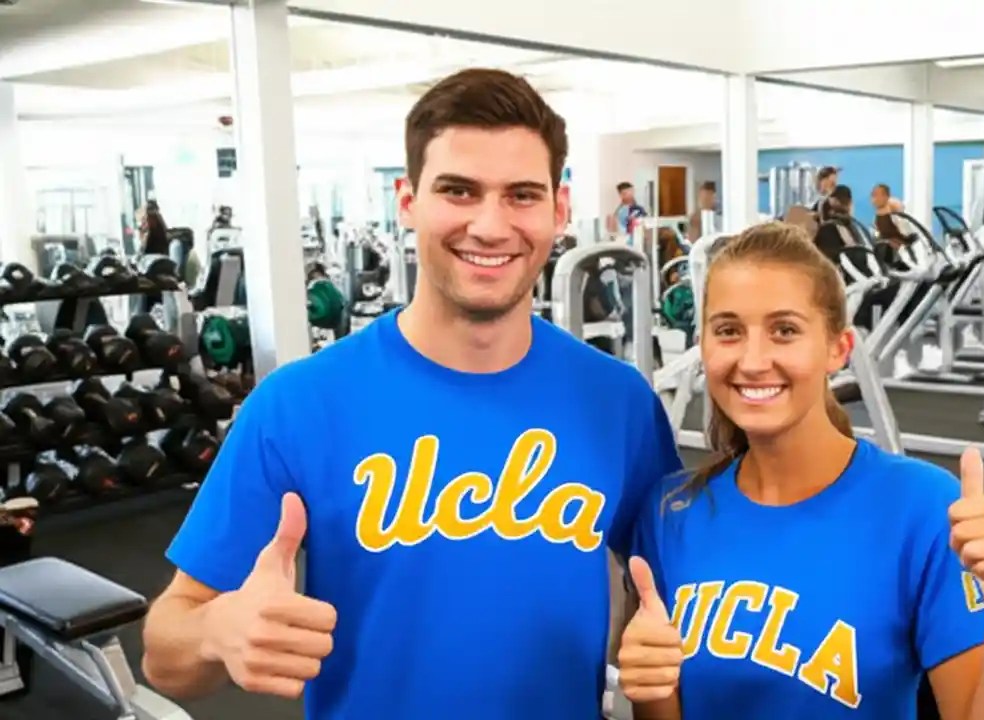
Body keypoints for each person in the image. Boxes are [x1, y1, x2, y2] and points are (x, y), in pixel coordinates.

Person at [140, 68, 683, 720]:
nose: (489, 225)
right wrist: (217, 631)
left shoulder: (619, 402)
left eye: (521, 195)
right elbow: (163, 655)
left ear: (558, 210)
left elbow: (676, 600)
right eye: (458, 190)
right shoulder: (298, 406)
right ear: (407, 200)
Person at [616, 223, 984, 720]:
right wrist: (649, 689)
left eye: (785, 330)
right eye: (729, 331)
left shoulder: (924, 508)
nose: (753, 361)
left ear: (837, 349)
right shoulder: (670, 512)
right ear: (704, 346)